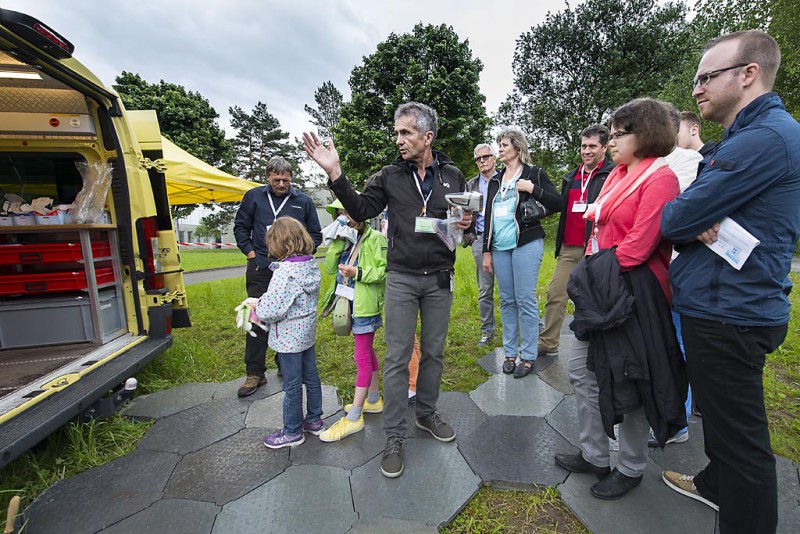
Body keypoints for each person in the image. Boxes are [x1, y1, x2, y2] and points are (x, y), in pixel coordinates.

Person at [660, 30, 800, 533]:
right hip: (720, 303)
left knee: (743, 446)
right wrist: (693, 213)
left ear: (748, 74)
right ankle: (714, 486)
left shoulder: (766, 139)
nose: (696, 88)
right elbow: (688, 212)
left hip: (731, 312)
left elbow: (674, 218)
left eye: (707, 76)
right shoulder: (746, 138)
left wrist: (691, 214)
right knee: (721, 424)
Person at [303, 102, 472, 479]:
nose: (398, 140)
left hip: (439, 277)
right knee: (397, 357)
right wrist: (335, 173)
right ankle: (394, 435)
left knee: (433, 351)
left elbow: (462, 231)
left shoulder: (455, 176)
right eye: (396, 132)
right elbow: (361, 209)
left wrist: (467, 224)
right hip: (401, 277)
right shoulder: (390, 176)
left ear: (427, 137)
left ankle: (426, 414)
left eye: (405, 132)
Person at [555, 97, 686, 500]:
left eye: (618, 135)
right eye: (610, 135)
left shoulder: (660, 178)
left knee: (629, 383)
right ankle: (595, 454)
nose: (611, 142)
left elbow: (639, 247)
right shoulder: (618, 175)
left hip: (631, 294)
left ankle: (630, 467)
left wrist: (586, 275)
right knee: (581, 369)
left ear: (644, 134)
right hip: (604, 288)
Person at [233, 156, 322, 397]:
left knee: (289, 315)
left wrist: (300, 256)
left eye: (286, 180)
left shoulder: (303, 201)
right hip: (261, 267)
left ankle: (286, 364)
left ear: (291, 178)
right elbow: (240, 227)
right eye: (276, 180)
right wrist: (251, 253)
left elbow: (315, 234)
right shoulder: (254, 197)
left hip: (290, 269)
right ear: (267, 177)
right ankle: (255, 373)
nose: (282, 184)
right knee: (258, 316)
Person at [481, 128, 561, 378]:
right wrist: (486, 250)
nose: (500, 149)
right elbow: (489, 217)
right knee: (507, 300)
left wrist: (532, 189)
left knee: (525, 299)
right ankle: (510, 352)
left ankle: (528, 355)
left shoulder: (534, 174)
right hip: (500, 247)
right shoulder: (495, 180)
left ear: (517, 147)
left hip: (526, 243)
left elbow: (558, 203)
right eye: (499, 145)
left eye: (504, 145)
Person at [539, 125, 614, 358]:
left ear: (604, 147)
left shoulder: (612, 174)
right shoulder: (571, 176)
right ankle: (548, 342)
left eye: (592, 146)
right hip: (569, 248)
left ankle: (598, 346)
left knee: (595, 299)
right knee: (555, 294)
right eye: (583, 146)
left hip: (596, 249)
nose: (587, 151)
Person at [247, 217, 323, 449]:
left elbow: (272, 309)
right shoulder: (310, 265)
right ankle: (314, 420)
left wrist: (255, 305)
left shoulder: (285, 273)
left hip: (288, 339)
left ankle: (291, 432)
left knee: (291, 385)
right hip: (306, 335)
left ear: (279, 243)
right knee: (311, 378)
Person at [319, 200, 387, 442]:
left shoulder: (376, 238)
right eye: (341, 214)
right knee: (367, 352)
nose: (345, 218)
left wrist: (356, 273)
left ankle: (355, 417)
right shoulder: (345, 238)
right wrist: (337, 240)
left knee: (361, 358)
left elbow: (383, 271)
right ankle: (373, 400)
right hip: (350, 304)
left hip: (365, 306)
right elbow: (329, 268)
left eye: (348, 213)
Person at [464, 143, 497, 347]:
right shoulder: (471, 185)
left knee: (512, 288)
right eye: (478, 158)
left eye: (486, 156)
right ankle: (487, 331)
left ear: (494, 158)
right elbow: (464, 212)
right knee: (485, 289)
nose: (483, 161)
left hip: (504, 239)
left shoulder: (504, 179)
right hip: (479, 238)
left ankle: (530, 325)